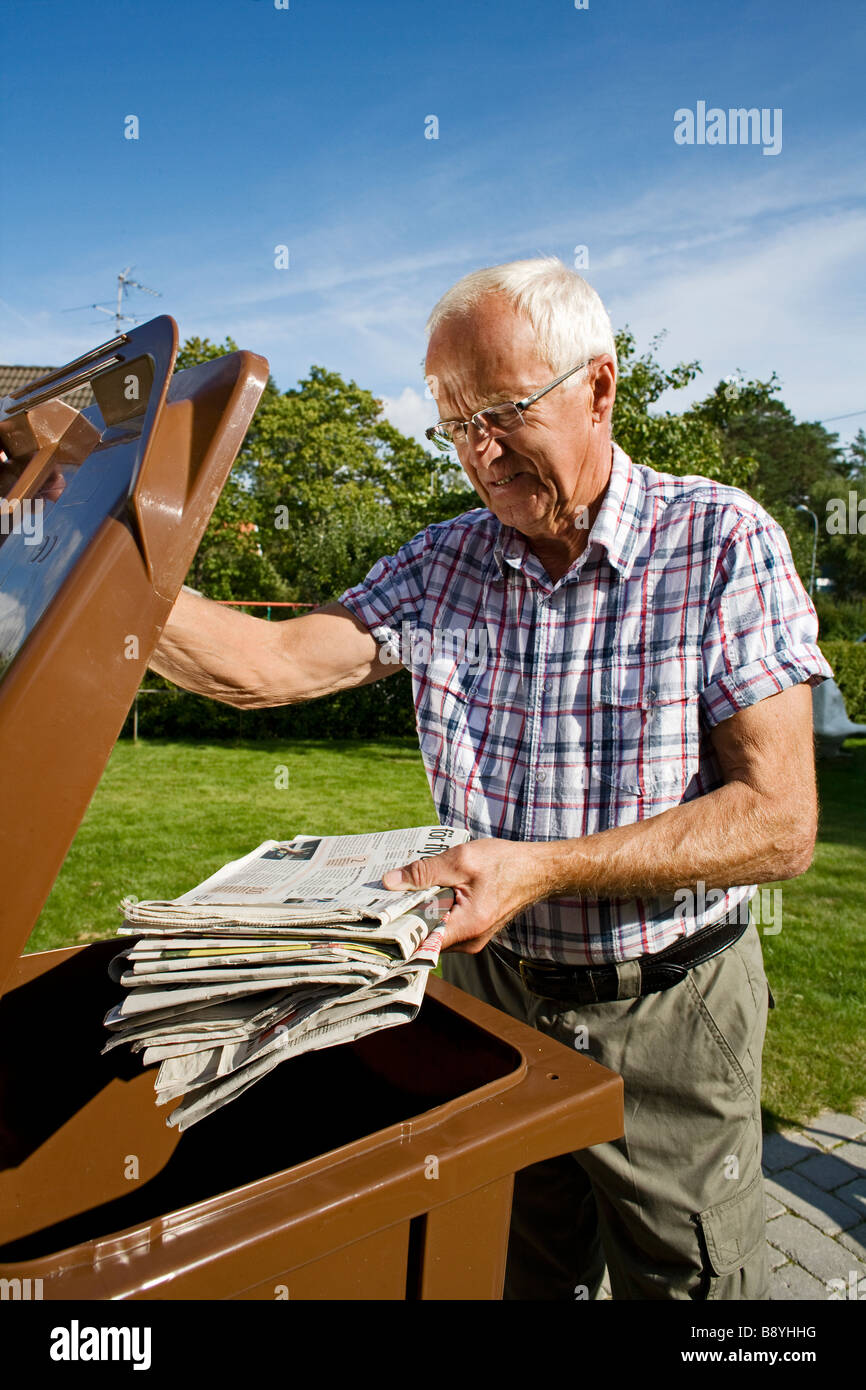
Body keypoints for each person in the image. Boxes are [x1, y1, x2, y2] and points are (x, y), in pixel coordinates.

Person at [151, 257, 831, 1300]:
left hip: (667, 1014)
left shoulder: (719, 542)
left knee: (696, 1289)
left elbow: (777, 823)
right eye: (454, 424)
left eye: (503, 411)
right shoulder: (441, 563)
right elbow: (268, 667)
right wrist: (107, 567)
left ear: (598, 388)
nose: (478, 450)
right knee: (505, 1267)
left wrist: (541, 869)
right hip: (491, 1003)